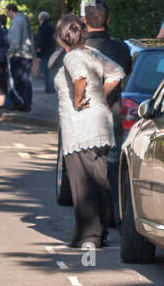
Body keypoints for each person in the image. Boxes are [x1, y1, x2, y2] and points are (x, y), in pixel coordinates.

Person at [53, 13, 126, 248]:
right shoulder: (93, 54)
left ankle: (87, 236)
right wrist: (102, 97)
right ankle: (99, 233)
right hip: (101, 123)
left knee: (82, 184)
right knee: (98, 182)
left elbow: (80, 79)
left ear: (61, 36)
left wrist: (78, 100)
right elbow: (116, 72)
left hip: (80, 127)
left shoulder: (71, 57)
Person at [83, 1, 132, 226]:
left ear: (85, 21)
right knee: (113, 164)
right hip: (111, 113)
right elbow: (126, 73)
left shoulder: (78, 49)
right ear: (108, 20)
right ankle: (115, 214)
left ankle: (93, 216)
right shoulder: (121, 48)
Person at [5, 2, 36, 111]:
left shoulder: (17, 21)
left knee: (19, 80)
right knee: (26, 80)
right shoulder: (24, 19)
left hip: (19, 54)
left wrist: (10, 51)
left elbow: (15, 39)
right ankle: (27, 103)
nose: (7, 15)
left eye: (7, 12)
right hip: (27, 54)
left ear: (10, 10)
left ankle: (22, 103)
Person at [36, 11, 56, 93]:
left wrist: (38, 48)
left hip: (45, 51)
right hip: (52, 49)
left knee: (46, 70)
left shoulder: (43, 28)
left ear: (41, 19)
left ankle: (48, 88)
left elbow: (41, 40)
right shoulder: (52, 26)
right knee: (50, 70)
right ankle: (52, 87)